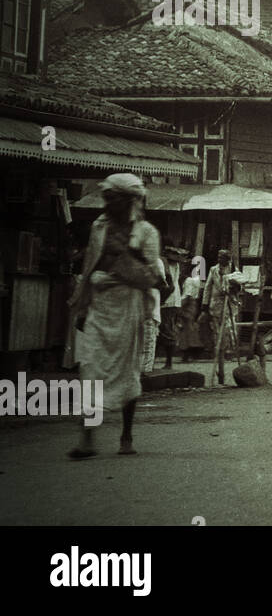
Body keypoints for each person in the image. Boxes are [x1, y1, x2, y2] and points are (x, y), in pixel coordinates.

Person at [66, 173, 162, 459]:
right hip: (99, 304)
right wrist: (83, 307)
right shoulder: (99, 227)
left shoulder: (146, 233)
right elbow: (88, 269)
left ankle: (126, 435)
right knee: (91, 369)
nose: (107, 203)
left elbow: (153, 277)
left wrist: (127, 262)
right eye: (106, 198)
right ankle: (88, 439)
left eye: (113, 198)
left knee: (126, 371)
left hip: (128, 307)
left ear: (129, 200)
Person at [202, 249, 239, 385]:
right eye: (218, 256)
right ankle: (220, 370)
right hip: (216, 307)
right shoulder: (213, 270)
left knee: (229, 333)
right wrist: (204, 306)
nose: (219, 259)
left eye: (222, 257)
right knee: (217, 336)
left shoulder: (234, 269)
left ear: (227, 259)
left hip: (229, 306)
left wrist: (234, 286)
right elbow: (207, 288)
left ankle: (226, 354)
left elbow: (240, 286)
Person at [157, 244, 184, 369]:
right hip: (174, 299)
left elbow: (167, 282)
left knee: (166, 329)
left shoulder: (164, 263)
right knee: (167, 328)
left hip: (168, 299)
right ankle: (168, 361)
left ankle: (168, 363)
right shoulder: (175, 264)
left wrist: (162, 299)